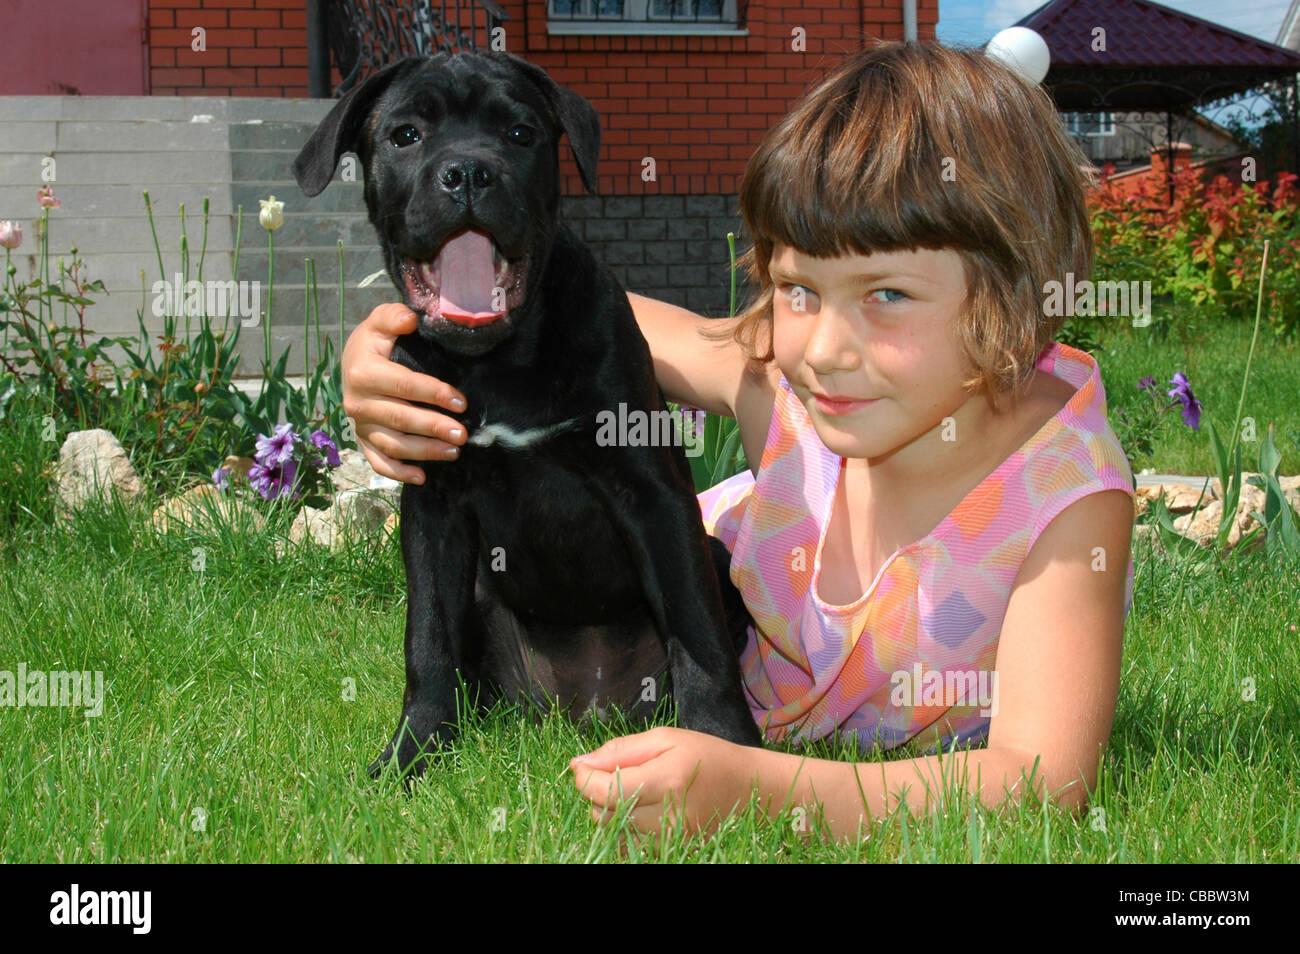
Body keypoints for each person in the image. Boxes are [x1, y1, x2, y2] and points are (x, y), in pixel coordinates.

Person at [340, 40, 1136, 842]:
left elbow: (1043, 781)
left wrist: (764, 787)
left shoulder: (1064, 495)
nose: (824, 347)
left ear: (1013, 295)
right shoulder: (783, 384)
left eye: (886, 294)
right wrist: (377, 350)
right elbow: (607, 320)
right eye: (798, 289)